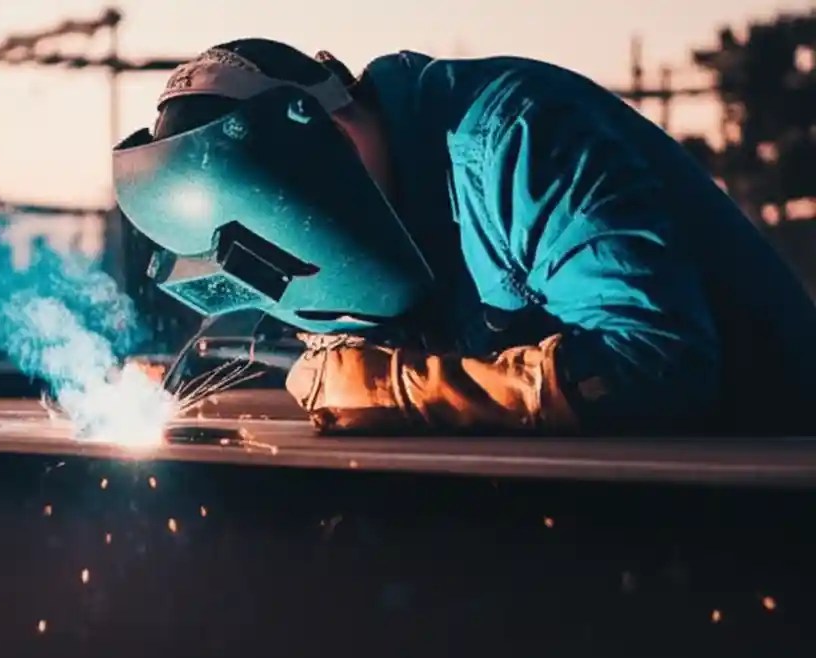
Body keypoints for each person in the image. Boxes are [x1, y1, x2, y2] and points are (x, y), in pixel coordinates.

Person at [112, 39, 816, 435]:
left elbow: (662, 361)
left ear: (330, 141)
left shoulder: (519, 140)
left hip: (770, 496)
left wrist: (397, 386)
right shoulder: (351, 217)